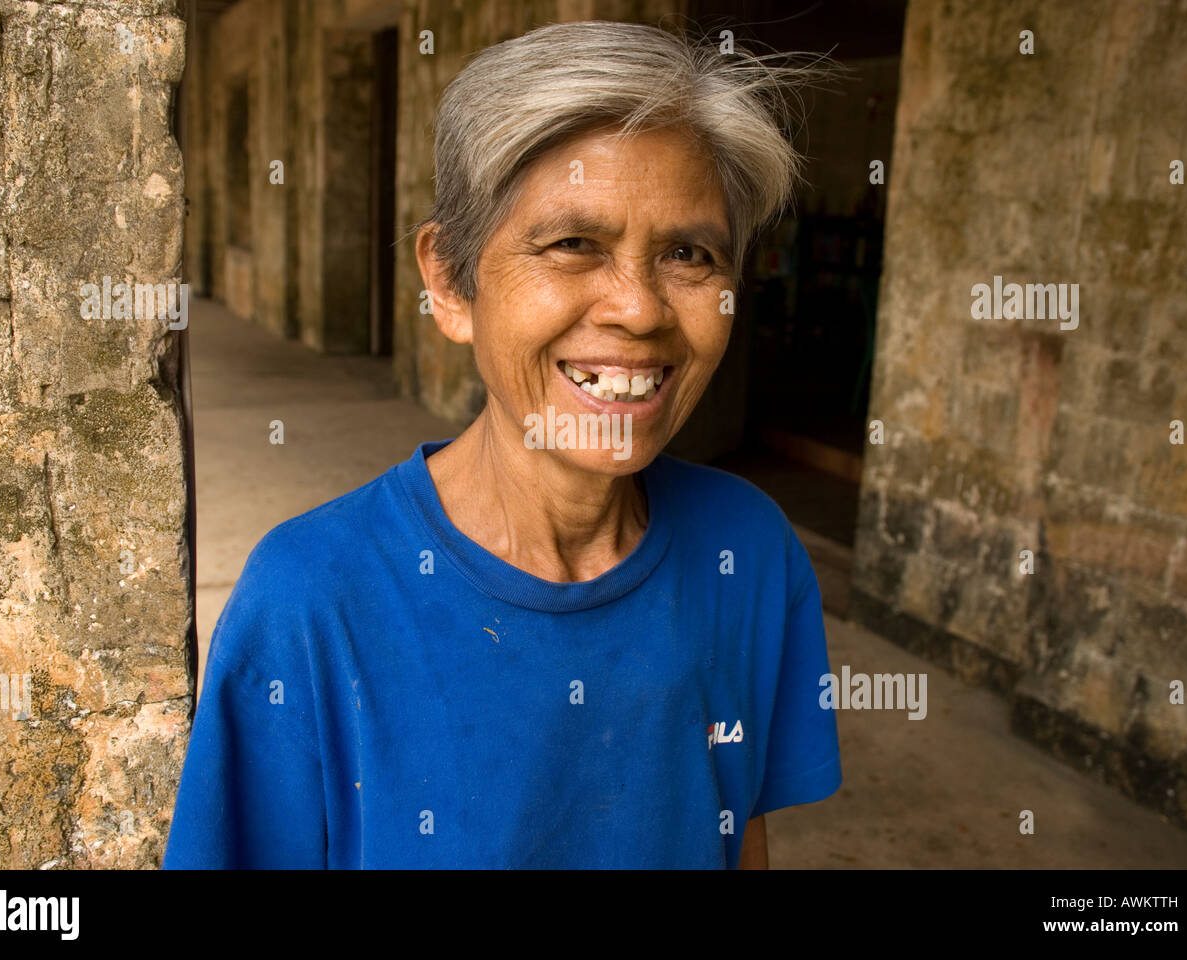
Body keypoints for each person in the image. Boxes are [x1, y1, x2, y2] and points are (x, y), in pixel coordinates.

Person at [164, 19, 841, 869]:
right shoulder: (309, 601)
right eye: (572, 245)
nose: (638, 308)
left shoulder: (750, 552)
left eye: (688, 253)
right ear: (450, 282)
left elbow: (738, 834)